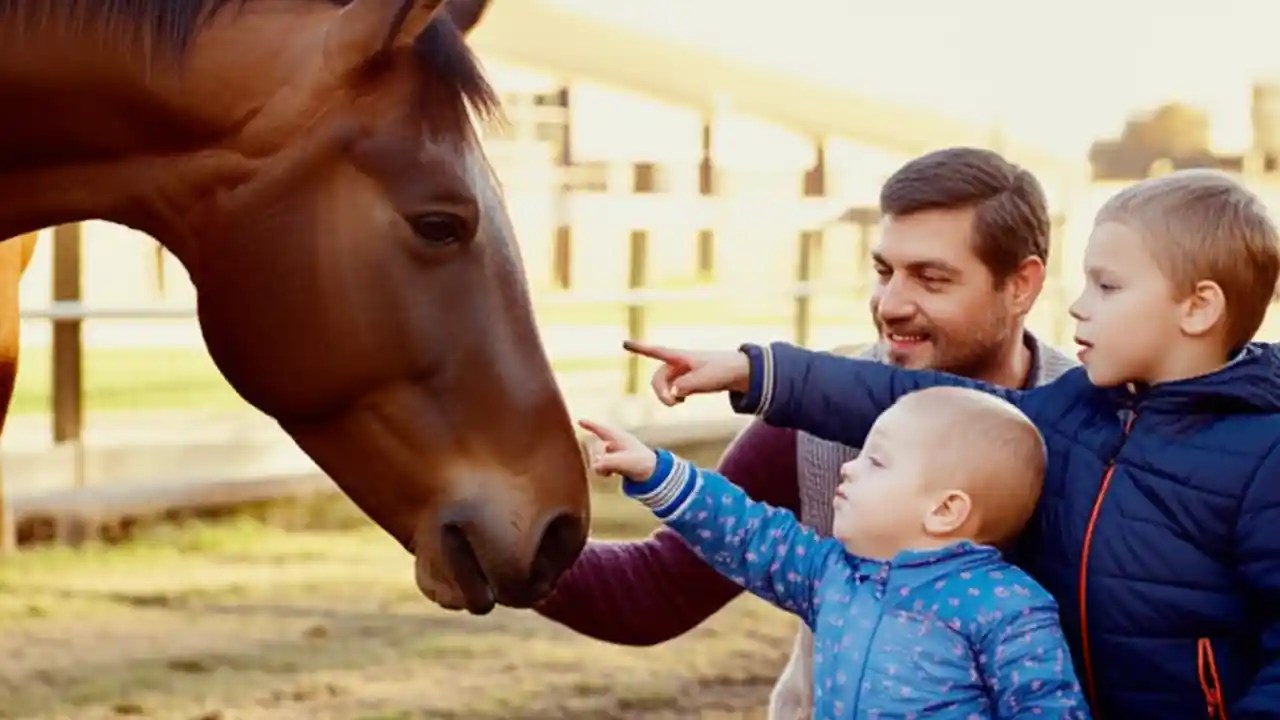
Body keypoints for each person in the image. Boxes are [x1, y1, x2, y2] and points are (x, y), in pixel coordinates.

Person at [626, 168, 1280, 720]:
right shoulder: (1070, 411)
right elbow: (887, 396)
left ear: (1197, 308)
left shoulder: (1263, 456)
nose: (1078, 306)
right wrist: (755, 371)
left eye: (1107, 287)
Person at [534, 147, 1077, 718]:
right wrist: (500, 537)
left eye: (932, 279)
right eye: (884, 272)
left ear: (1022, 285)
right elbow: (656, 592)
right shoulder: (808, 423)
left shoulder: (1105, 427)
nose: (890, 306)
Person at [575, 387, 1091, 719]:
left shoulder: (1007, 608)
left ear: (945, 510)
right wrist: (655, 471)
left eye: (877, 462)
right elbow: (746, 532)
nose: (849, 469)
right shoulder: (832, 576)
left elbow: (1047, 708)